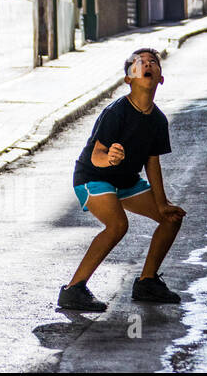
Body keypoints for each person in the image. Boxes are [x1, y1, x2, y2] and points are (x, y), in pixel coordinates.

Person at [57, 47, 187, 312]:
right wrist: (110, 159)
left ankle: (147, 282)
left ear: (160, 77)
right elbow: (96, 156)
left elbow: (152, 163)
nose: (147, 65)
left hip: (126, 181)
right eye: (139, 63)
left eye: (153, 62)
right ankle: (73, 290)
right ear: (129, 78)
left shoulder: (158, 120)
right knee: (117, 225)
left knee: (171, 218)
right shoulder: (116, 112)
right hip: (93, 177)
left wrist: (162, 203)